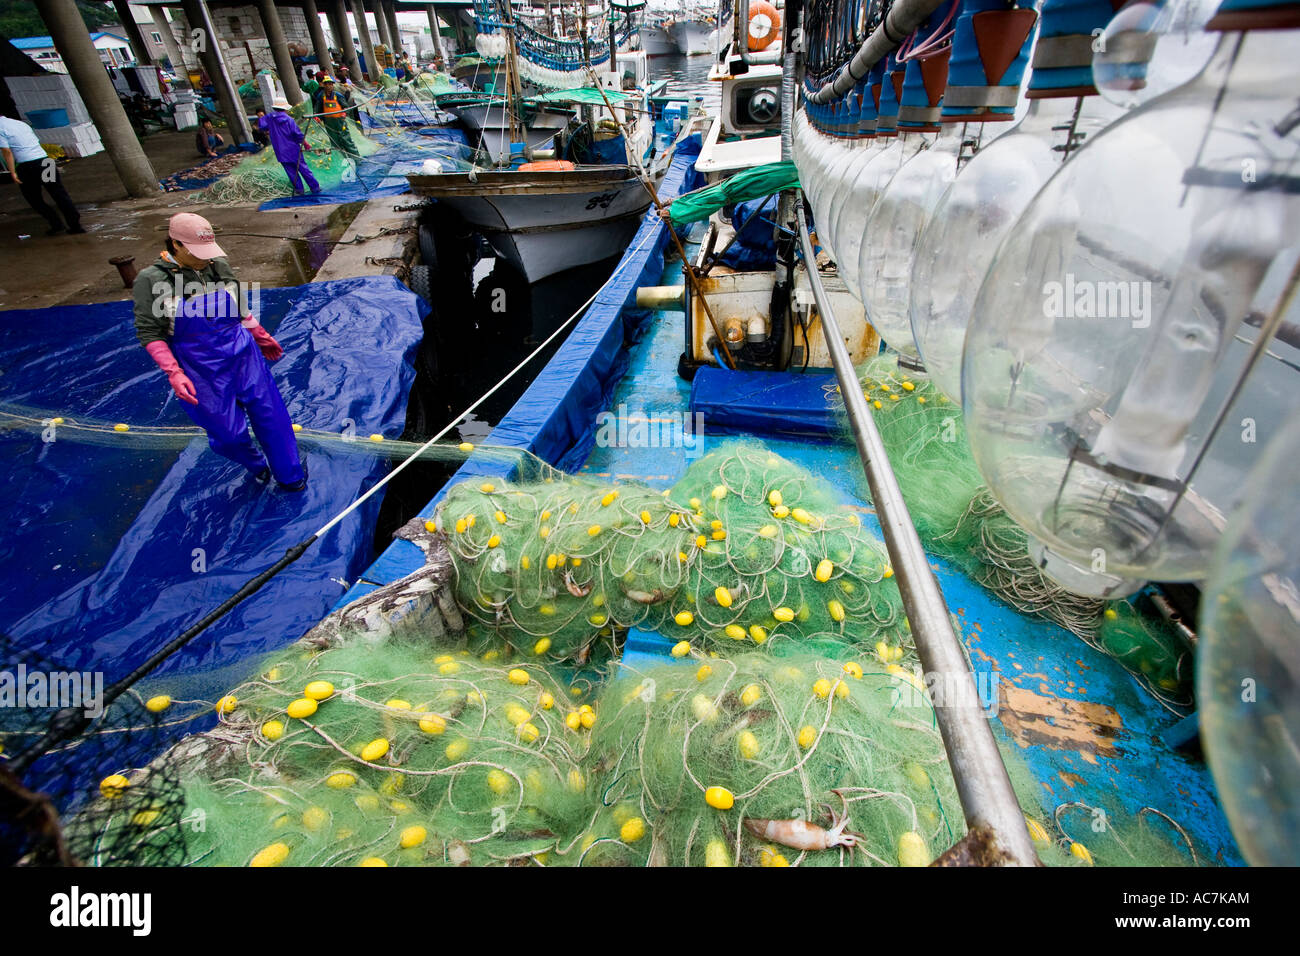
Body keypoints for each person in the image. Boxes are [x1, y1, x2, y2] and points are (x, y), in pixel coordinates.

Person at [132, 212, 307, 491]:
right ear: (176, 244)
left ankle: (290, 474)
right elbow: (149, 331)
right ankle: (255, 464)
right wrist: (174, 372)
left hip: (242, 352)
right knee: (228, 435)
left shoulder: (217, 265)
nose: (205, 258)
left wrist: (259, 334)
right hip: (199, 364)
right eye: (197, 252)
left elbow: (237, 304)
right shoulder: (151, 279)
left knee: (271, 416)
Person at [0, 114, 84, 235]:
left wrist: (12, 172)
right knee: (59, 195)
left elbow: (6, 151)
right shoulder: (20, 124)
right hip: (45, 161)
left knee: (34, 199)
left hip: (28, 166)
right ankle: (76, 226)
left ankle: (56, 224)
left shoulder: (1, 128)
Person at [256, 96, 320, 197]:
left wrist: (264, 121)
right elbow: (297, 134)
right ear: (285, 108)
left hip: (280, 151)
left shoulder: (269, 118)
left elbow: (262, 126)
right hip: (293, 149)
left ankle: (299, 191)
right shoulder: (289, 120)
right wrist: (305, 144)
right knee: (304, 169)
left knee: (291, 172)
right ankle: (315, 188)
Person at [312, 75, 357, 157]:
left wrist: (344, 113)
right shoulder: (321, 96)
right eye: (327, 84)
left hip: (340, 121)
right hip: (329, 123)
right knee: (334, 141)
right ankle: (341, 157)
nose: (329, 86)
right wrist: (316, 116)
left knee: (346, 139)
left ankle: (355, 156)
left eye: (330, 84)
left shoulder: (338, 96)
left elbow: (346, 107)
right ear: (324, 85)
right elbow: (317, 108)